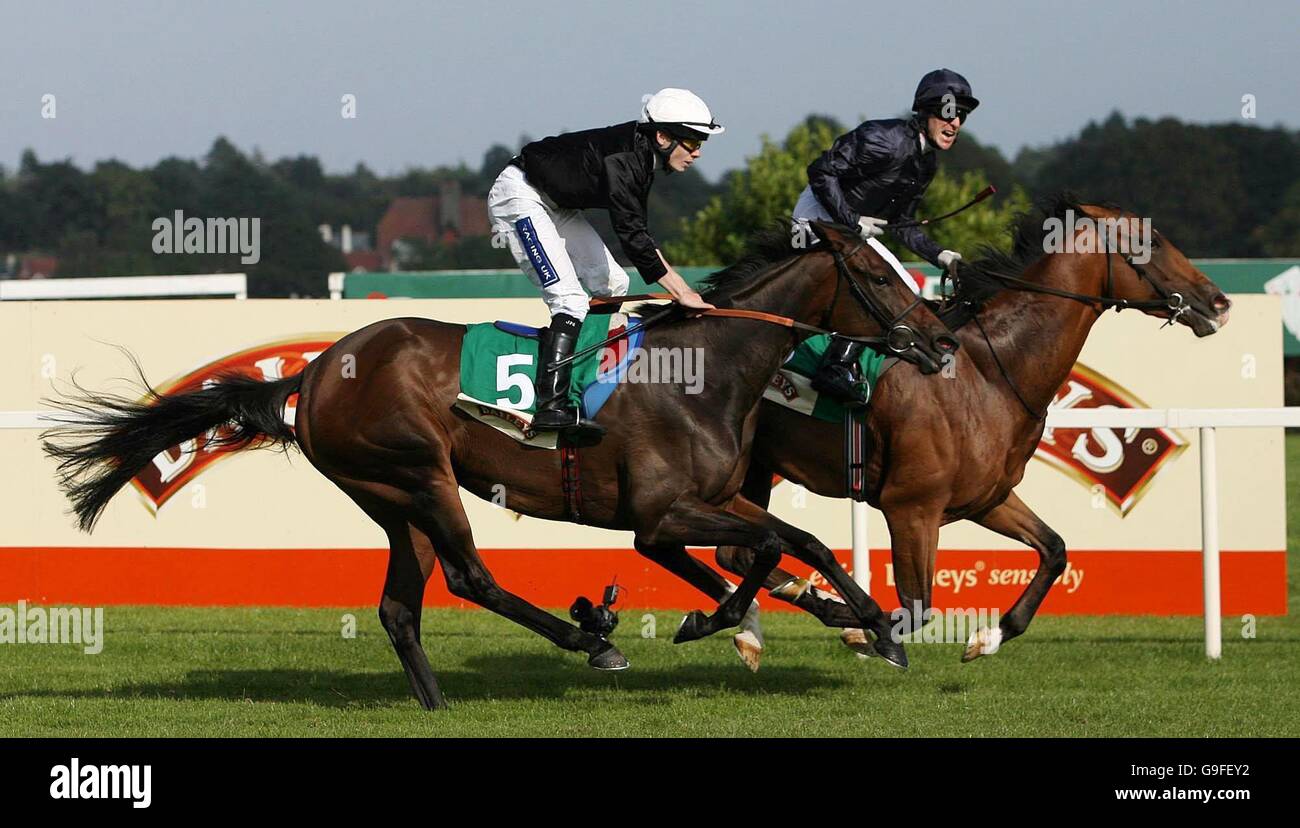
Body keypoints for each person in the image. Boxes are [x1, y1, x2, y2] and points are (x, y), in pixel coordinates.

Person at [488, 89, 722, 443]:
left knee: (613, 284)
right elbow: (634, 237)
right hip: (520, 196)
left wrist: (681, 289)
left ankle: (583, 382)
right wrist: (683, 293)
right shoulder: (626, 161)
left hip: (556, 205)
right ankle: (551, 404)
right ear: (662, 136)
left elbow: (637, 234)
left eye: (700, 142)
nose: (698, 152)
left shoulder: (643, 158)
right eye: (691, 142)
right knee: (569, 300)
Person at [793, 68, 978, 406]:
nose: (955, 124)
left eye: (961, 116)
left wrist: (940, 256)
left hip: (850, 231)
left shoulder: (926, 163)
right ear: (924, 111)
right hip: (816, 218)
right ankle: (835, 367)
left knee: (904, 289)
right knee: (893, 288)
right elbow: (820, 171)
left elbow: (903, 223)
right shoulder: (885, 138)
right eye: (948, 113)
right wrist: (850, 220)